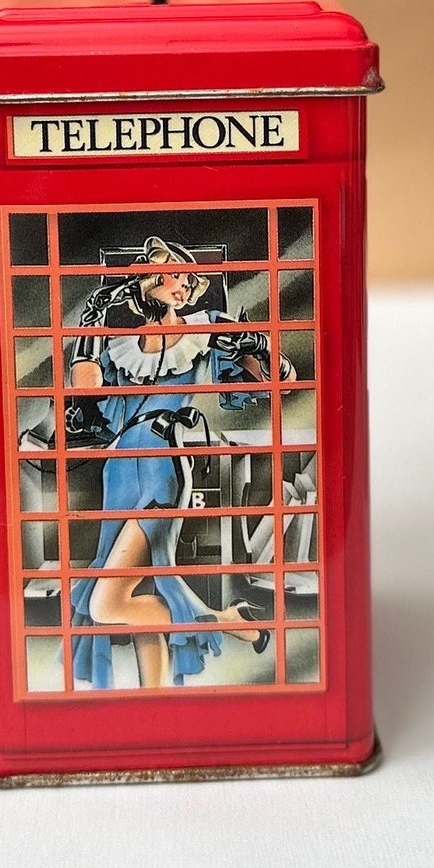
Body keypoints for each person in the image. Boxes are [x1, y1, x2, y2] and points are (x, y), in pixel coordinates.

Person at [67, 236, 295, 689]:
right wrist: (90, 324)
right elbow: (86, 391)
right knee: (137, 592)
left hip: (161, 466)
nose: (186, 284)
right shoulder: (118, 344)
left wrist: (256, 344)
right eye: (176, 274)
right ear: (147, 276)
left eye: (190, 279)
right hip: (118, 471)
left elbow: (282, 381)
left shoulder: (206, 326)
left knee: (105, 604)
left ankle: (230, 622)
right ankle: (152, 697)